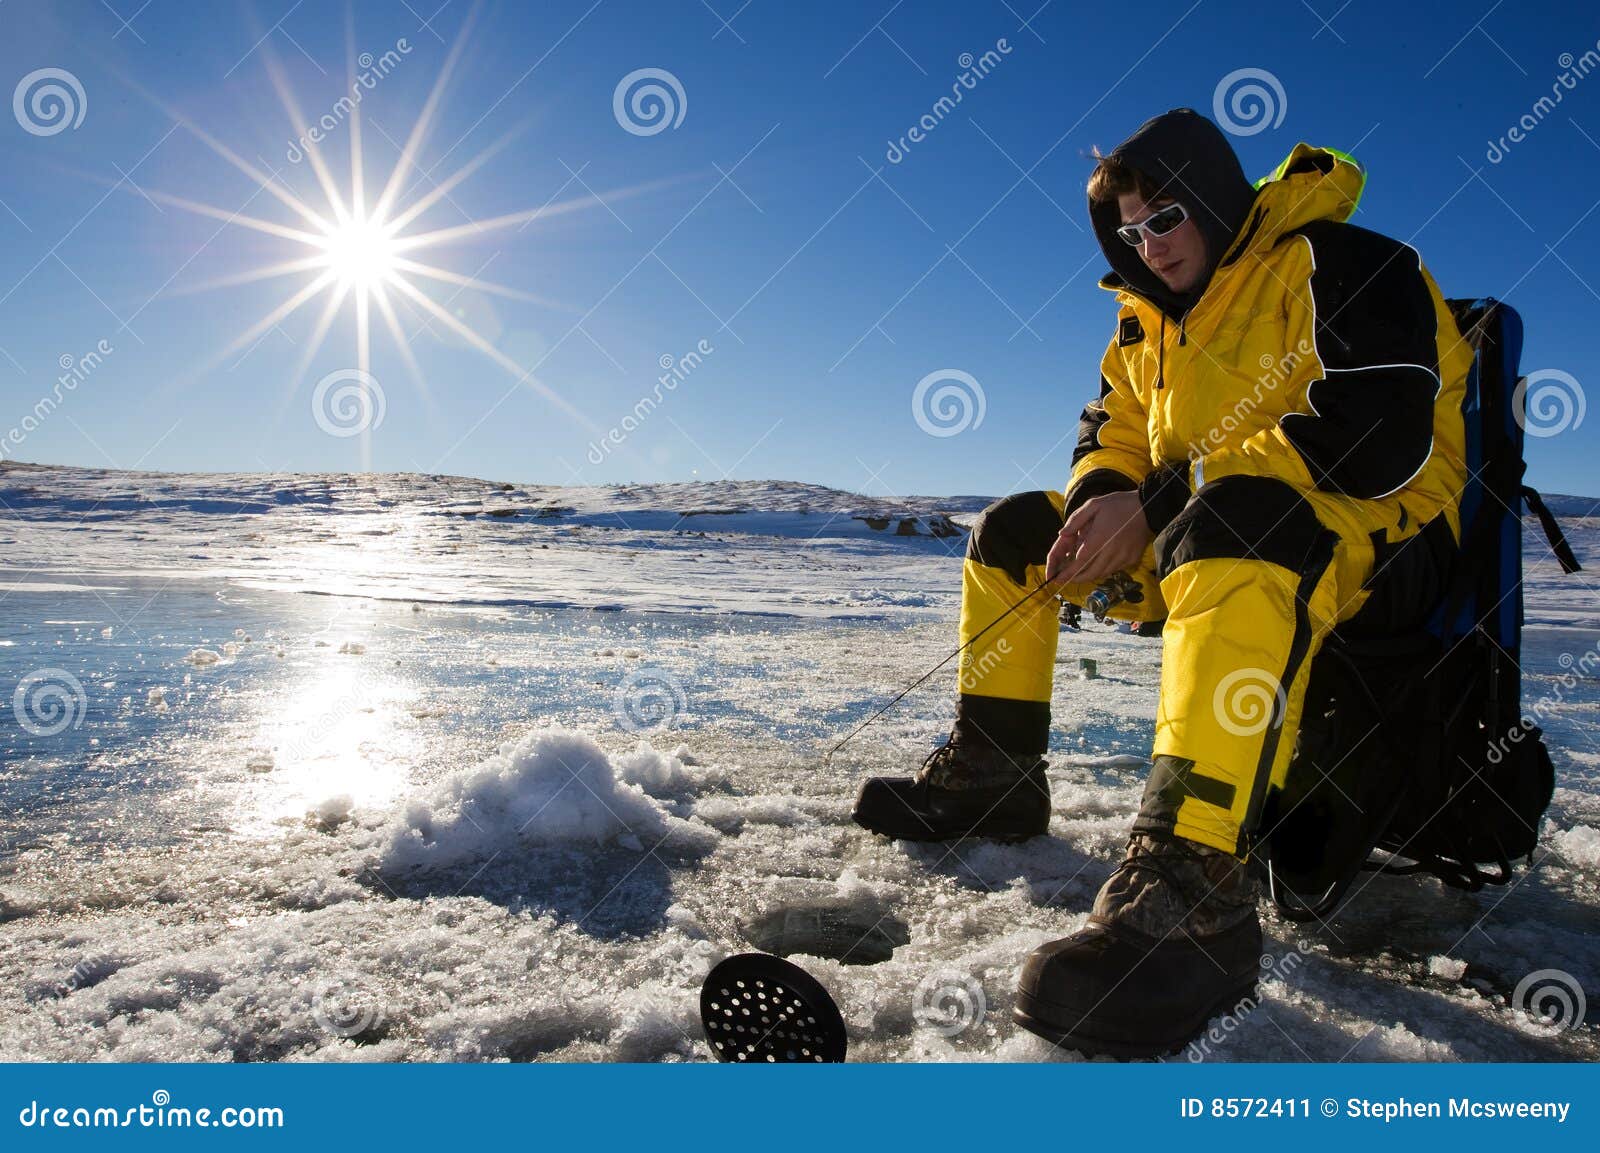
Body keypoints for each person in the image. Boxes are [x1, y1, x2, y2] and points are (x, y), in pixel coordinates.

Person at [852, 108, 1470, 1057]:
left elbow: (1378, 433)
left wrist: (1165, 497)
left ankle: (1195, 895)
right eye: (1131, 230)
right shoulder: (1144, 322)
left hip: (1376, 538)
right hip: (1205, 529)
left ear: (1219, 198)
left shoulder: (1346, 262)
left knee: (1237, 517)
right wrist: (1104, 501)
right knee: (1019, 529)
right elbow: (1112, 434)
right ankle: (995, 776)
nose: (1151, 244)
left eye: (1168, 216)